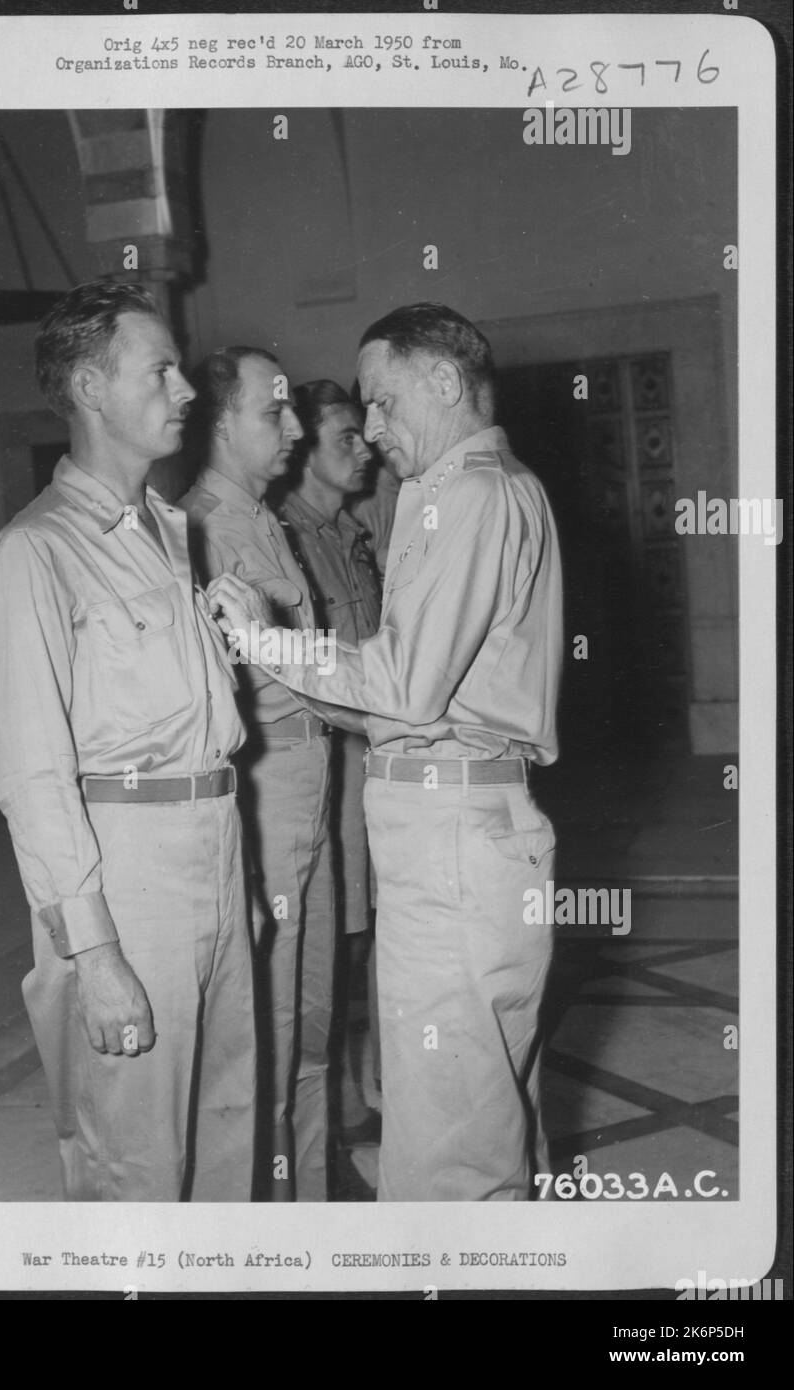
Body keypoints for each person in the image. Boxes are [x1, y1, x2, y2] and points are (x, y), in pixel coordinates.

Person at [209, 303, 563, 1202]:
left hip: (449, 836)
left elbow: (406, 687)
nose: (370, 427)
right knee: (482, 1112)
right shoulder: (481, 489)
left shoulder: (469, 493)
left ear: (444, 383)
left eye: (381, 400)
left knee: (450, 1150)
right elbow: (415, 699)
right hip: (462, 822)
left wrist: (267, 643)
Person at [0, 279, 255, 1202]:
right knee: (131, 1159)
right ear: (92, 389)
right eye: (162, 370)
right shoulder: (37, 549)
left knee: (225, 1132)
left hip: (216, 843)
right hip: (123, 868)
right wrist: (93, 954)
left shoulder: (169, 532)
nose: (186, 391)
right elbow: (31, 774)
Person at [181, 348, 336, 1201]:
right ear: (217, 421)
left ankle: (315, 1209)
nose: (297, 428)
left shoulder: (262, 514)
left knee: (312, 1017)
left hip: (312, 780)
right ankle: (270, 1229)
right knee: (267, 1026)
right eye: (273, 413)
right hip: (269, 789)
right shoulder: (203, 525)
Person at [276, 381, 383, 1143]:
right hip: (329, 768)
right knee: (332, 940)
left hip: (372, 767)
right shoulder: (285, 538)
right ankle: (332, 1106)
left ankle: (369, 1086)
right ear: (304, 448)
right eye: (344, 437)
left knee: (370, 927)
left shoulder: (350, 532)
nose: (365, 447)